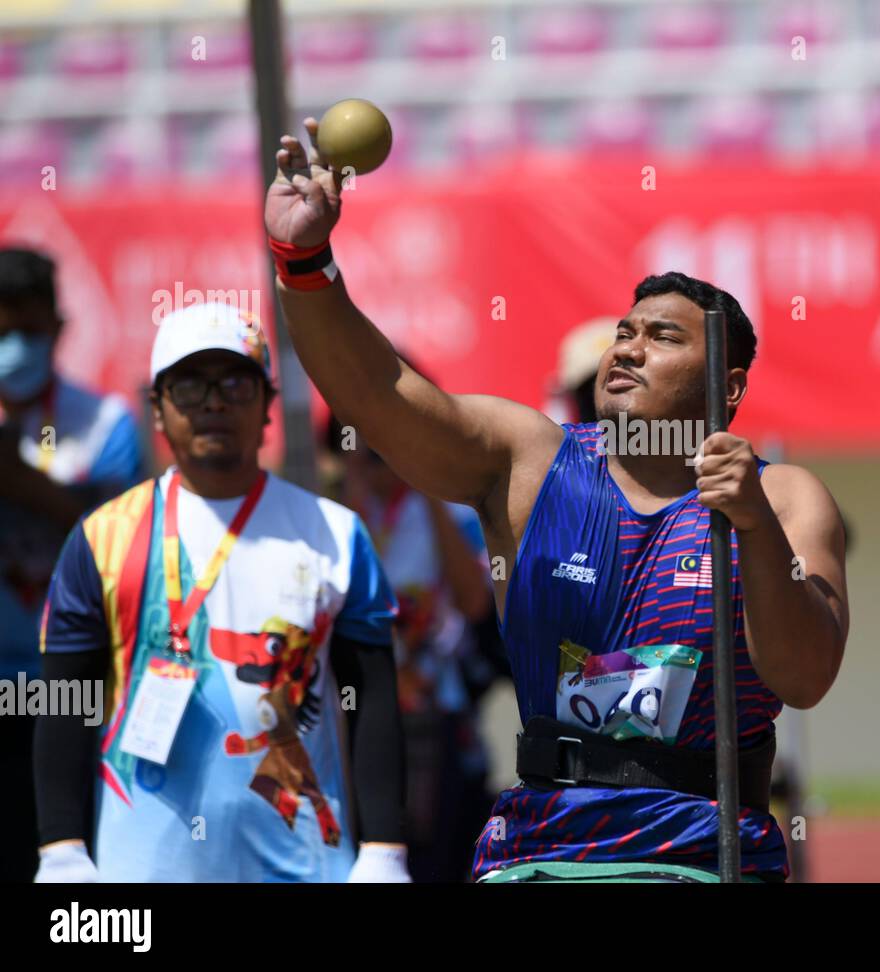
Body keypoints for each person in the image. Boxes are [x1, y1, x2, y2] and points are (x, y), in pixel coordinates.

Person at [263, 119, 850, 882]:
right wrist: (304, 261)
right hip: (540, 853)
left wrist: (756, 530)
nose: (629, 348)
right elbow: (378, 394)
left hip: (702, 859)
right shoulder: (529, 461)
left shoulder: (783, 495)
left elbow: (805, 677)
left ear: (727, 386)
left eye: (664, 337)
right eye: (624, 331)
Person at [32, 301, 410, 883]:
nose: (212, 403)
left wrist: (384, 853)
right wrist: (61, 853)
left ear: (267, 408)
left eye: (234, 383)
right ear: (156, 409)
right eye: (188, 386)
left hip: (307, 866)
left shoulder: (335, 534)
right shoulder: (101, 537)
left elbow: (374, 699)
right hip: (140, 877)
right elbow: (65, 699)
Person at [0, 247, 144, 883]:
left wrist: (17, 481)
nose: (14, 349)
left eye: (27, 332)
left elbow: (117, 548)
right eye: (0, 332)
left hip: (73, 691)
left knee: (73, 867)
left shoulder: (105, 424)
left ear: (58, 329)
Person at [323, 410, 508, 881]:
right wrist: (356, 491)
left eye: (386, 450)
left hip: (436, 710)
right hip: (363, 712)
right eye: (362, 451)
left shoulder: (450, 513)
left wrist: (427, 488)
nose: (377, 462)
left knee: (435, 855)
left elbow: (473, 603)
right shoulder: (342, 517)